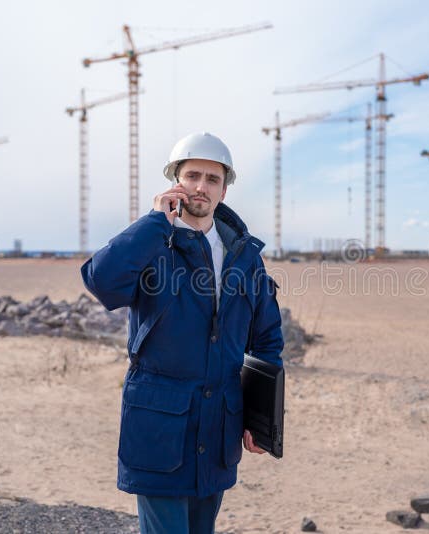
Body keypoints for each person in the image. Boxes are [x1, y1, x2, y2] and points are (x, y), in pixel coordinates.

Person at [80, 132, 284, 533]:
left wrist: (263, 421)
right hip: (160, 423)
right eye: (192, 175)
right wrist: (156, 221)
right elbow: (102, 281)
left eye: (212, 179)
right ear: (175, 180)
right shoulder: (154, 243)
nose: (201, 187)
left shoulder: (245, 257)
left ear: (224, 190)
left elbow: (266, 339)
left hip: (219, 425)